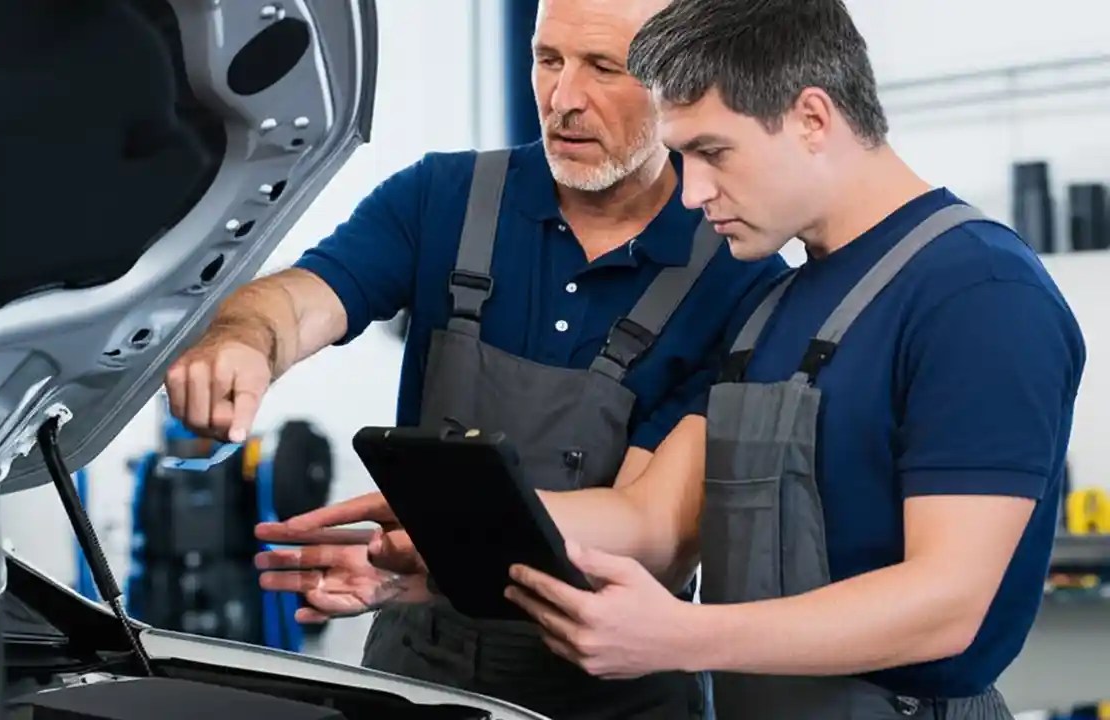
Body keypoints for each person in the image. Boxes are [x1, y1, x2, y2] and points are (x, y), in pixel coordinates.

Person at [264, 1, 1086, 719]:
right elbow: (653, 518)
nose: (690, 193)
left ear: (810, 117)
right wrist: (443, 553)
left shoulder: (976, 290)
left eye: (714, 153)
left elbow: (947, 605)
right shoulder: (774, 307)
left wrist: (685, 636)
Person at [166, 0, 784, 715]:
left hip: (615, 688)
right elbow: (304, 298)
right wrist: (244, 338)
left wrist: (446, 534)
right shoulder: (444, 198)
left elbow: (655, 534)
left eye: (603, 68)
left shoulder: (737, 278)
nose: (563, 99)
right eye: (547, 59)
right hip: (419, 661)